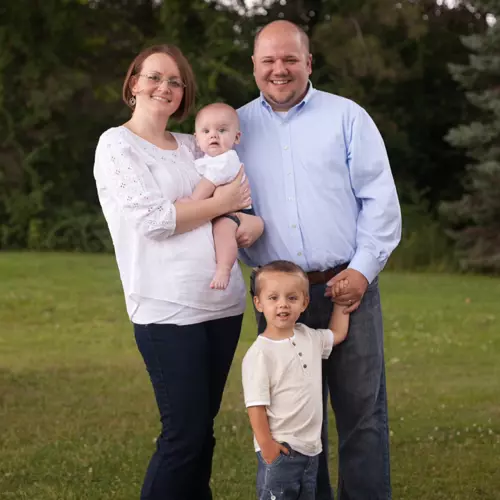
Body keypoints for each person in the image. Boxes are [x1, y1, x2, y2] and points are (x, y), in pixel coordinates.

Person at [235, 20, 402, 500]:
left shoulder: (347, 117)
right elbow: (222, 204)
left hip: (345, 289)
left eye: (290, 59)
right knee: (292, 420)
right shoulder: (237, 128)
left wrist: (362, 271)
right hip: (278, 299)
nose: (279, 69)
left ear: (309, 63)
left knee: (362, 416)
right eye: (268, 60)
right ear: (254, 66)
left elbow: (380, 201)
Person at [93, 44, 260, 500]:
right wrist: (221, 205)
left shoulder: (193, 144)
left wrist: (246, 219)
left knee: (201, 436)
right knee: (183, 437)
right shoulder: (117, 145)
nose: (164, 87)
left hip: (221, 306)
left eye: (175, 81)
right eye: (154, 77)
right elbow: (154, 221)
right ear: (133, 84)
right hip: (166, 309)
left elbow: (240, 199)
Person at [242, 260, 350, 500]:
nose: (283, 304)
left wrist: (342, 302)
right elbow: (255, 406)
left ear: (305, 302)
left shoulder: (309, 337)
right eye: (273, 298)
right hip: (281, 451)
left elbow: (338, 334)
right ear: (258, 303)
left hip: (311, 450)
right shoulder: (260, 354)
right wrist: (267, 447)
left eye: (292, 298)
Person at [179, 102, 256, 289]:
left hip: (236, 212)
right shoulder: (205, 160)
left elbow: (210, 182)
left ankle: (224, 268)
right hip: (219, 208)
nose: (213, 135)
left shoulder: (227, 159)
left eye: (221, 130)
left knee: (223, 231)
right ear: (197, 139)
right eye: (206, 131)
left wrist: (193, 201)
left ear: (236, 137)